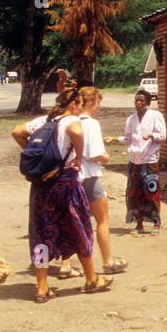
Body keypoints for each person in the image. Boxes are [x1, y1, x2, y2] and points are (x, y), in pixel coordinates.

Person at [11, 76, 112, 301]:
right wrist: (76, 156)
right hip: (65, 182)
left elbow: (17, 131)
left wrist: (36, 155)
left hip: (40, 185)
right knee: (80, 227)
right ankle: (92, 278)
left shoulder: (43, 121)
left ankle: (41, 287)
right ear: (75, 104)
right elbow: (76, 132)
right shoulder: (70, 120)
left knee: (40, 233)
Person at [56, 86, 127, 279]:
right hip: (89, 177)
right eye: (98, 103)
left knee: (70, 220)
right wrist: (106, 157)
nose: (99, 108)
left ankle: (66, 264)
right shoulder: (91, 124)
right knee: (102, 219)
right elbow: (95, 154)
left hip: (69, 177)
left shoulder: (65, 121)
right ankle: (107, 261)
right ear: (90, 103)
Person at [113, 88, 167, 233]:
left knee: (151, 191)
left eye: (141, 100)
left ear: (147, 102)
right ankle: (139, 222)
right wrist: (115, 139)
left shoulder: (155, 116)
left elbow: (163, 136)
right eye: (136, 100)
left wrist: (152, 136)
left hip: (149, 160)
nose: (138, 103)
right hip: (134, 161)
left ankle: (156, 222)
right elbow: (128, 138)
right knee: (134, 192)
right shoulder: (131, 119)